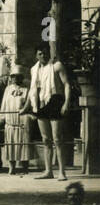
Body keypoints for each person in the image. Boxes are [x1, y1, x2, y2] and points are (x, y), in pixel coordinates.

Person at [25, 47, 73, 181]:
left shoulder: (57, 66)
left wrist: (66, 103)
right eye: (40, 53)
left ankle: (62, 172)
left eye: (45, 52)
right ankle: (48, 171)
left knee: (57, 139)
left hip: (56, 101)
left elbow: (67, 84)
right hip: (41, 103)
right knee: (46, 140)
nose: (43, 55)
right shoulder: (34, 70)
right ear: (36, 56)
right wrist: (27, 107)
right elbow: (32, 90)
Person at [0, 65, 32, 175]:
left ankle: (25, 168)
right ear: (11, 78)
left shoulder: (27, 90)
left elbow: (30, 105)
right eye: (13, 76)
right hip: (10, 122)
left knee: (23, 144)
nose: (15, 79)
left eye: (18, 76)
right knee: (10, 144)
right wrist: (0, 119)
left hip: (22, 122)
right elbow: (4, 105)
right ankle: (11, 168)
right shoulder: (8, 89)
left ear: (22, 77)